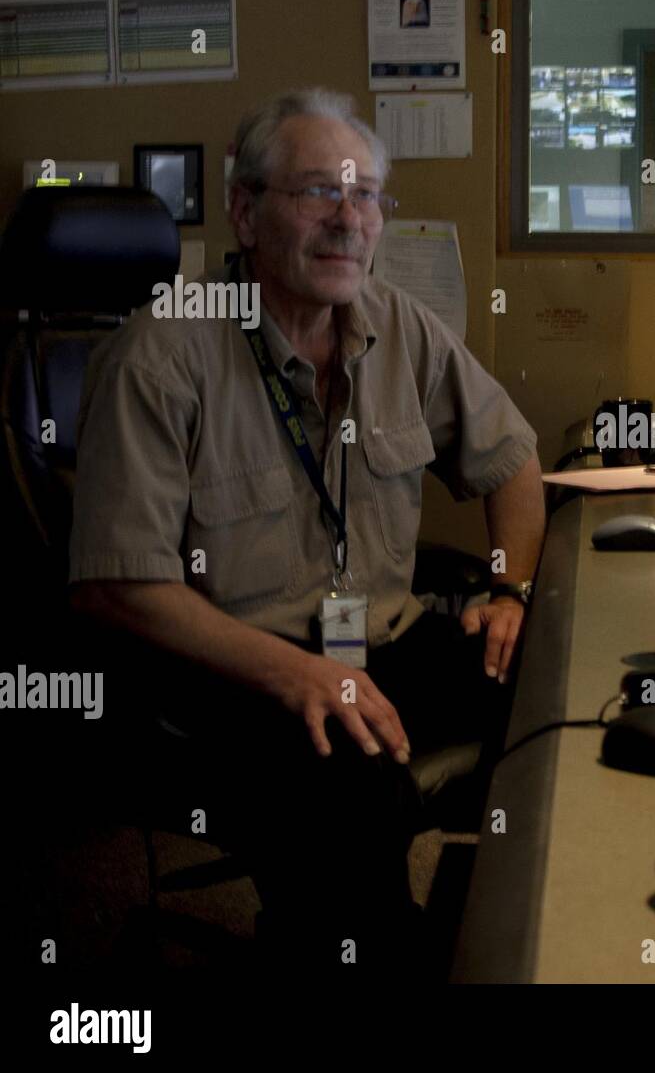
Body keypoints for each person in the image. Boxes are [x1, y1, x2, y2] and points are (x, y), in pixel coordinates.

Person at [67, 88, 545, 967]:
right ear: (246, 212)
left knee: (559, 696)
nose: (348, 219)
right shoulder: (161, 355)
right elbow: (116, 586)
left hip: (373, 641)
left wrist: (509, 585)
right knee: (353, 802)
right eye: (319, 191)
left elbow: (512, 461)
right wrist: (303, 675)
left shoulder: (399, 327)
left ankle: (509, 935)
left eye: (366, 196)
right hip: (227, 672)